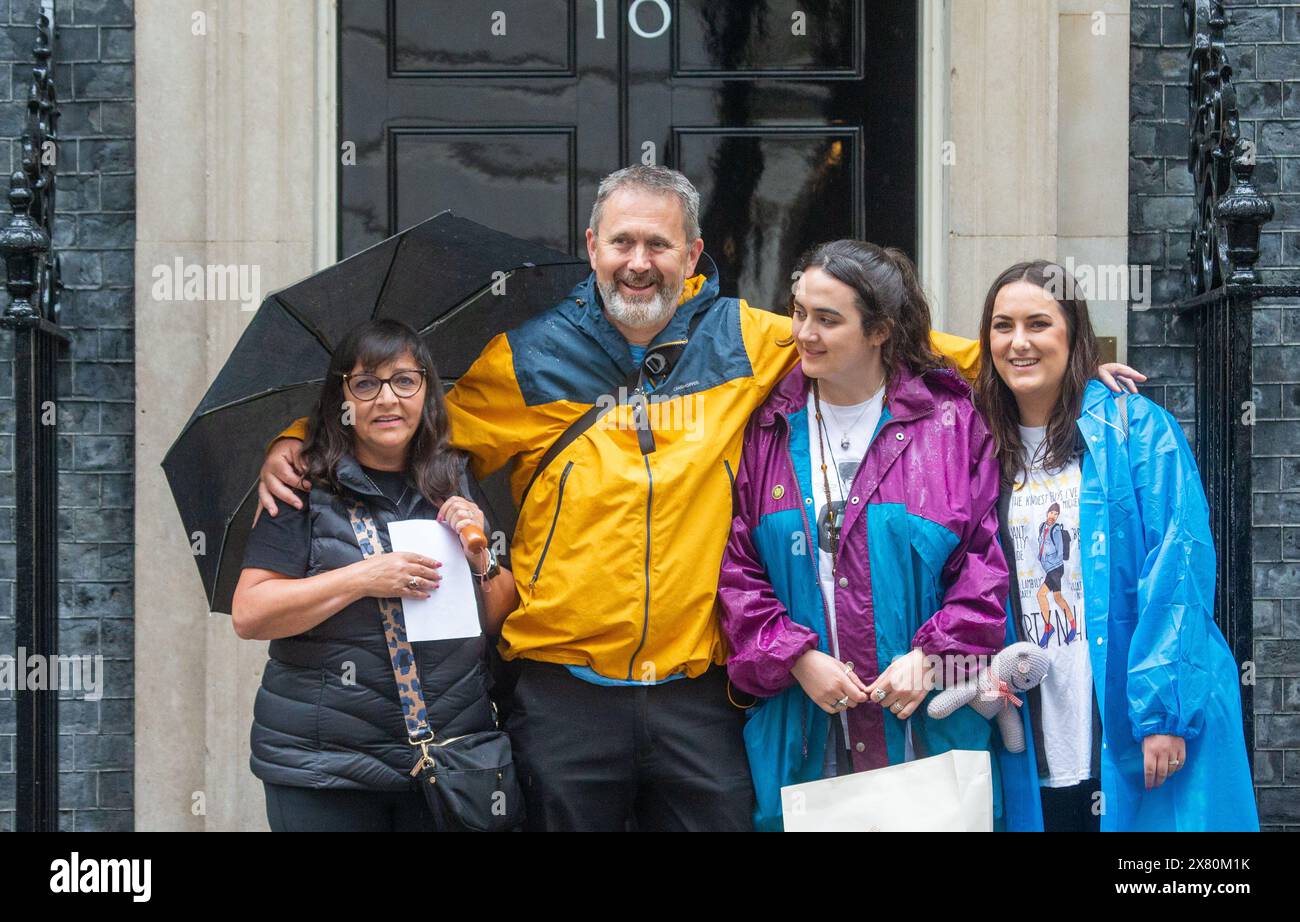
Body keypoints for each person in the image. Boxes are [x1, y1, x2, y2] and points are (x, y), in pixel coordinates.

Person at [255, 166, 1143, 831]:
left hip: (698, 690)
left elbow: (900, 337)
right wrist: (294, 437)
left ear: (692, 257)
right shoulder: (523, 361)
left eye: (658, 246)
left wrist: (1045, 366)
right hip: (563, 691)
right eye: (621, 243)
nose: (638, 263)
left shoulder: (753, 339)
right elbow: (406, 422)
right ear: (592, 247)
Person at [716, 240, 1011, 831]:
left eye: (829, 319)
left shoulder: (950, 424)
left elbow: (983, 566)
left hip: (924, 726)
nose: (805, 333)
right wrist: (795, 656)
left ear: (880, 330)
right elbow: (736, 568)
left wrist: (931, 658)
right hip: (804, 734)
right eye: (799, 312)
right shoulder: (767, 425)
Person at [976, 260, 1259, 832]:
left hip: (1124, 714)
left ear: (1075, 335)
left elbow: (1177, 567)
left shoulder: (1135, 430)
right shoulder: (973, 439)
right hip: (1027, 716)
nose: (1019, 341)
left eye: (1039, 324)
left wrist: (1164, 713)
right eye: (1002, 326)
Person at [232, 319, 518, 832]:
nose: (387, 399)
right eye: (365, 384)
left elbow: (497, 620)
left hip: (446, 760)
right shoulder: (301, 486)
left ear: (427, 392)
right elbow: (251, 614)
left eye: (404, 381)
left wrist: (482, 559)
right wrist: (361, 578)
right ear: (340, 399)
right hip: (325, 770)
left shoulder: (455, 479)